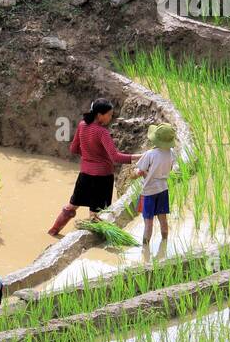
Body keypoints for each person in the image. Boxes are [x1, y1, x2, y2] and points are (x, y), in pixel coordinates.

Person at [48, 98, 141, 236]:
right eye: (109, 114)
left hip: (85, 175)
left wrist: (88, 156)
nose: (111, 117)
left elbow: (73, 149)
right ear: (99, 115)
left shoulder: (82, 125)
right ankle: (93, 241)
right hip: (102, 178)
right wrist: (139, 156)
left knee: (72, 205)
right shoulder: (102, 132)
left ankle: (53, 231)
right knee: (96, 213)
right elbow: (115, 157)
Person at [134, 123, 177, 251]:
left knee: (148, 223)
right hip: (163, 189)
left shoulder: (150, 154)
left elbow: (139, 172)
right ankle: (164, 244)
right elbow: (168, 169)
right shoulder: (171, 153)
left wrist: (134, 174)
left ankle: (145, 249)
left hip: (149, 192)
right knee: (163, 220)